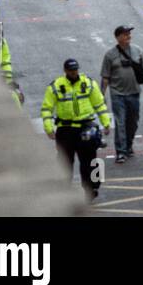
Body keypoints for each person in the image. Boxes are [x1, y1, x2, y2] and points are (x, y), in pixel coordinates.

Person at [40, 58, 111, 201]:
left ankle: (92, 189)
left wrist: (106, 123)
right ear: (65, 71)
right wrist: (48, 128)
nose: (74, 73)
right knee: (65, 162)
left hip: (86, 129)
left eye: (75, 70)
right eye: (71, 70)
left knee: (90, 161)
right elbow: (47, 109)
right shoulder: (56, 86)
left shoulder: (88, 83)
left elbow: (99, 104)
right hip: (65, 130)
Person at [99, 25, 143, 163]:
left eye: (129, 34)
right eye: (125, 34)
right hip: (117, 93)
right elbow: (105, 77)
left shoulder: (138, 51)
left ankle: (128, 144)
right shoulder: (110, 55)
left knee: (133, 122)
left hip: (134, 92)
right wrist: (102, 95)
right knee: (120, 122)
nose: (128, 36)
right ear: (117, 37)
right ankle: (121, 151)